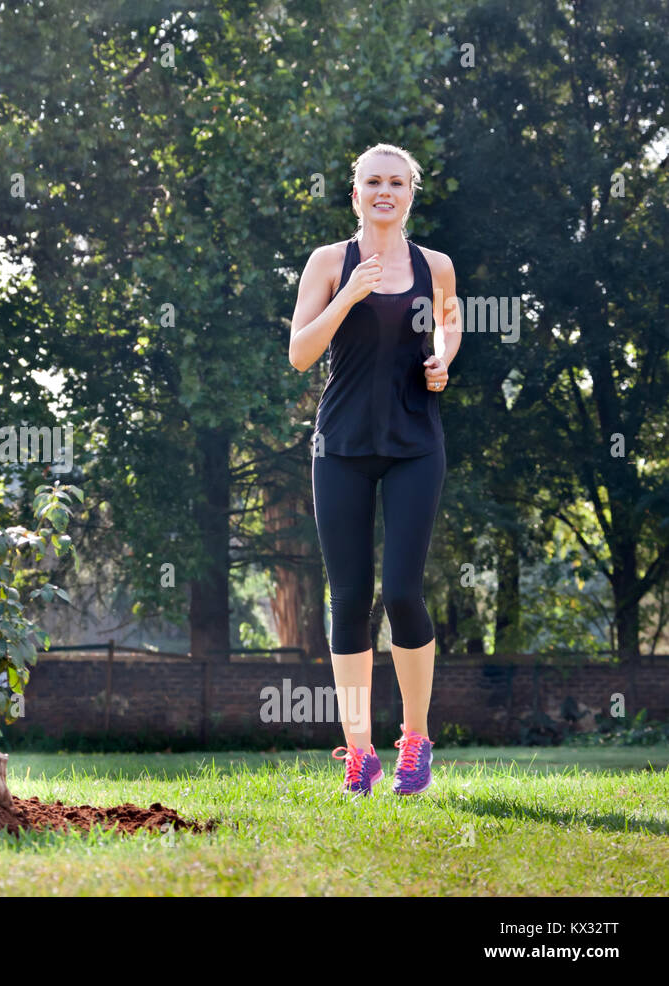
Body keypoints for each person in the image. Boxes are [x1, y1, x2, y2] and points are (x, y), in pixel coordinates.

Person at [287, 142, 462, 796]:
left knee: (404, 592)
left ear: (410, 193)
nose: (384, 191)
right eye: (372, 182)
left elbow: (449, 323)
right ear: (355, 193)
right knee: (351, 597)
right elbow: (301, 354)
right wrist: (346, 297)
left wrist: (444, 357)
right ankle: (359, 753)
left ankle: (416, 741)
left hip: (417, 440)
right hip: (342, 446)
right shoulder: (330, 262)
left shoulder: (434, 265)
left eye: (396, 182)